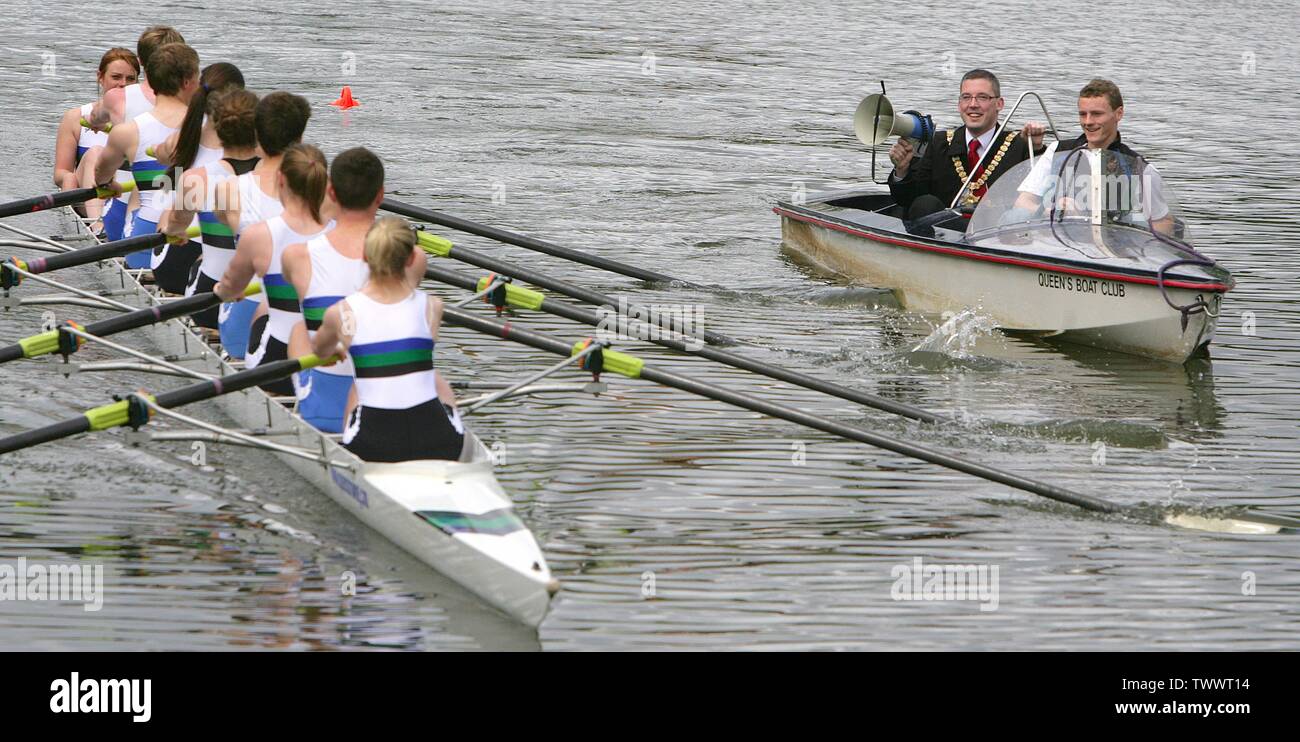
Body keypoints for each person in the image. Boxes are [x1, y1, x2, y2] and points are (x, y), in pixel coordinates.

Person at [311, 217, 465, 462]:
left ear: (364, 256)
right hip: (439, 443)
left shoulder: (340, 312)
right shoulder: (432, 306)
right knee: (436, 379)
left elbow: (319, 351)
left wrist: (338, 349)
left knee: (357, 383)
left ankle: (349, 459)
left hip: (374, 446)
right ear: (412, 258)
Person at [214, 143, 332, 394]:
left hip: (274, 368)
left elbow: (228, 291)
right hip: (333, 361)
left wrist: (222, 289)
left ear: (281, 181)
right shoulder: (343, 236)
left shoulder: (258, 235)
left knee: (262, 305)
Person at [283, 147, 384, 433]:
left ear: (331, 193)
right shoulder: (409, 258)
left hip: (325, 413)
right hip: (387, 404)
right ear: (381, 195)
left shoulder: (297, 256)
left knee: (298, 328)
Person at [1012, 79, 1174, 235]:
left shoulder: (1140, 168)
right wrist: (1051, 211)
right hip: (1054, 246)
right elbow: (1023, 202)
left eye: (1096, 114)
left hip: (1113, 253)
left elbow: (1163, 223)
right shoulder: (1057, 151)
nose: (1088, 122)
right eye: (1083, 114)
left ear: (1119, 114)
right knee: (1014, 216)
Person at [92, 42, 200, 269]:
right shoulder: (211, 127)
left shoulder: (127, 132)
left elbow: (100, 175)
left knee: (138, 196)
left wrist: (108, 184)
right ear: (189, 82)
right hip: (198, 238)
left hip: (147, 236)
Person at [160, 87, 259, 330]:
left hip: (210, 301)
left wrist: (175, 229)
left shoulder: (195, 180)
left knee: (200, 256)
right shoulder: (283, 178)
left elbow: (174, 228)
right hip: (264, 299)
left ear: (218, 130)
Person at [888, 69, 1045, 222]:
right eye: (966, 97)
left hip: (995, 236)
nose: (973, 104)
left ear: (999, 104)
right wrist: (902, 170)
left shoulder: (1020, 144)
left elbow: (1041, 194)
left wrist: (1037, 148)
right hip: (946, 236)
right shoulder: (940, 143)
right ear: (959, 104)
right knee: (925, 204)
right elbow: (910, 201)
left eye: (982, 97)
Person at [148, 62, 245, 294]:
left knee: (171, 195)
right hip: (222, 258)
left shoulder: (182, 138)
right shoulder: (259, 150)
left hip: (178, 253)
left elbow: (160, 156)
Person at [52, 48, 138, 240]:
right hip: (89, 197)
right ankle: (98, 226)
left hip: (127, 197)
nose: (123, 84)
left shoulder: (145, 119)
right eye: (116, 77)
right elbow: (60, 173)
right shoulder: (75, 118)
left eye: (130, 79)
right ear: (100, 77)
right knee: (95, 154)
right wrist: (69, 181)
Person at [87, 26, 185, 129]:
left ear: (140, 60)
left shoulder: (116, 97)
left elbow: (94, 117)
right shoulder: (195, 99)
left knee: (96, 147)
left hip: (126, 141)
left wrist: (93, 122)